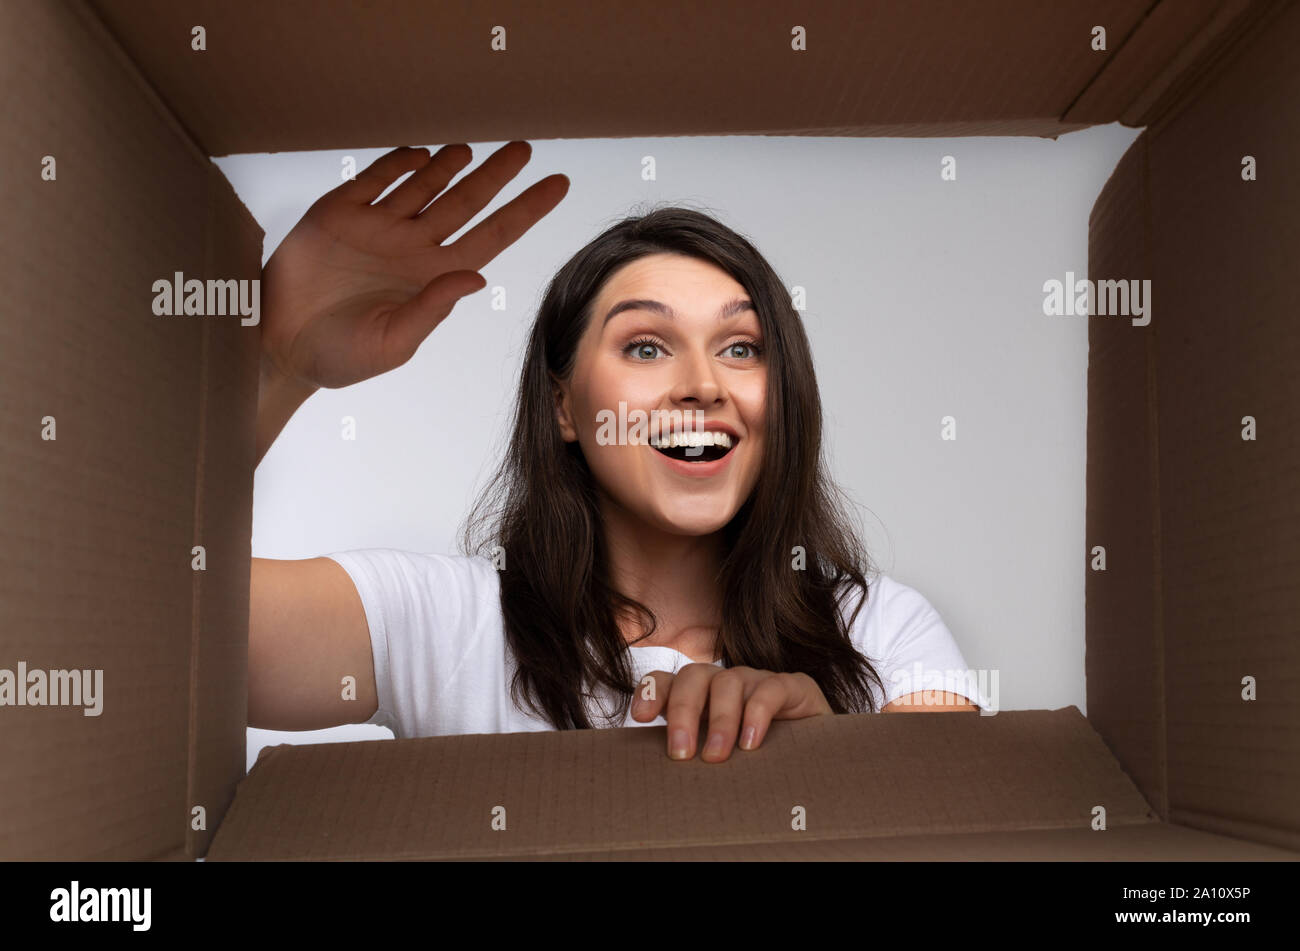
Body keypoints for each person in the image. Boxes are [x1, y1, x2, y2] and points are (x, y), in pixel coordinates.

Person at [249, 140, 982, 764]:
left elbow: (956, 836)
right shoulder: (443, 621)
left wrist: (816, 765)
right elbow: (153, 635)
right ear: (564, 405)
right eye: (646, 345)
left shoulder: (884, 631)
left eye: (740, 347)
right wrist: (270, 364)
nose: (701, 384)